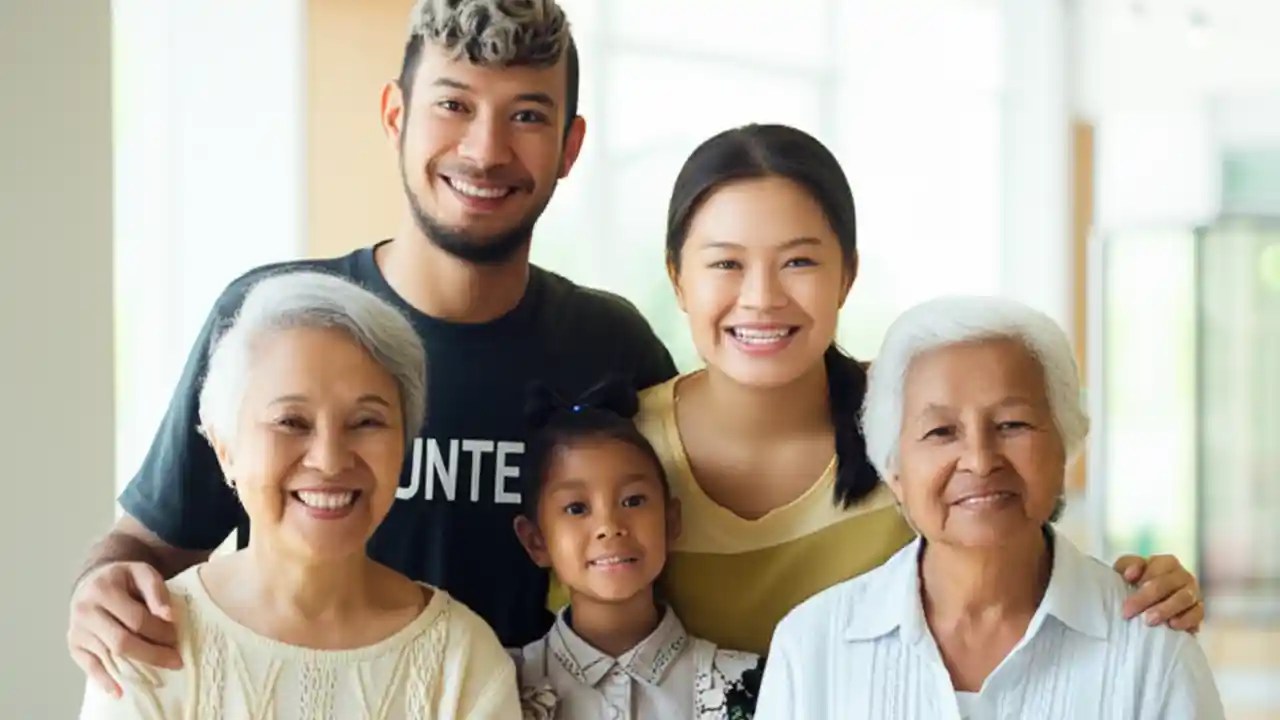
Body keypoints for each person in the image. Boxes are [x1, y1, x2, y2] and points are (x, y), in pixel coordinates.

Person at [67, 0, 675, 699]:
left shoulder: (611, 346)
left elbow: (679, 563)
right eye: (453, 105)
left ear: (570, 146)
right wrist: (100, 587)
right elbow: (153, 546)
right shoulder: (273, 323)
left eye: (528, 115)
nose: (486, 151)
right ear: (395, 115)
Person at [628, 123, 1205, 654]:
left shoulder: (922, 424)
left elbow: (1030, 573)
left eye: (798, 262)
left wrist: (1146, 590)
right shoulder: (624, 448)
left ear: (847, 275)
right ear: (678, 278)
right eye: (726, 265)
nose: (761, 298)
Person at [753, 295, 1225, 719]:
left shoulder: (1151, 648)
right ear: (894, 471)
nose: (980, 461)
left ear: (1065, 444)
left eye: (1012, 424)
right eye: (941, 432)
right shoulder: (813, 647)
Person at [79, 271, 520, 719]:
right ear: (224, 448)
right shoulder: (145, 643)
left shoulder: (462, 662)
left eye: (366, 422)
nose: (330, 461)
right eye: (291, 422)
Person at [512, 379, 764, 720]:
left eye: (633, 501)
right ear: (536, 541)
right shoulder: (502, 684)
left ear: (670, 522)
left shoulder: (749, 686)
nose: (609, 525)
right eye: (576, 508)